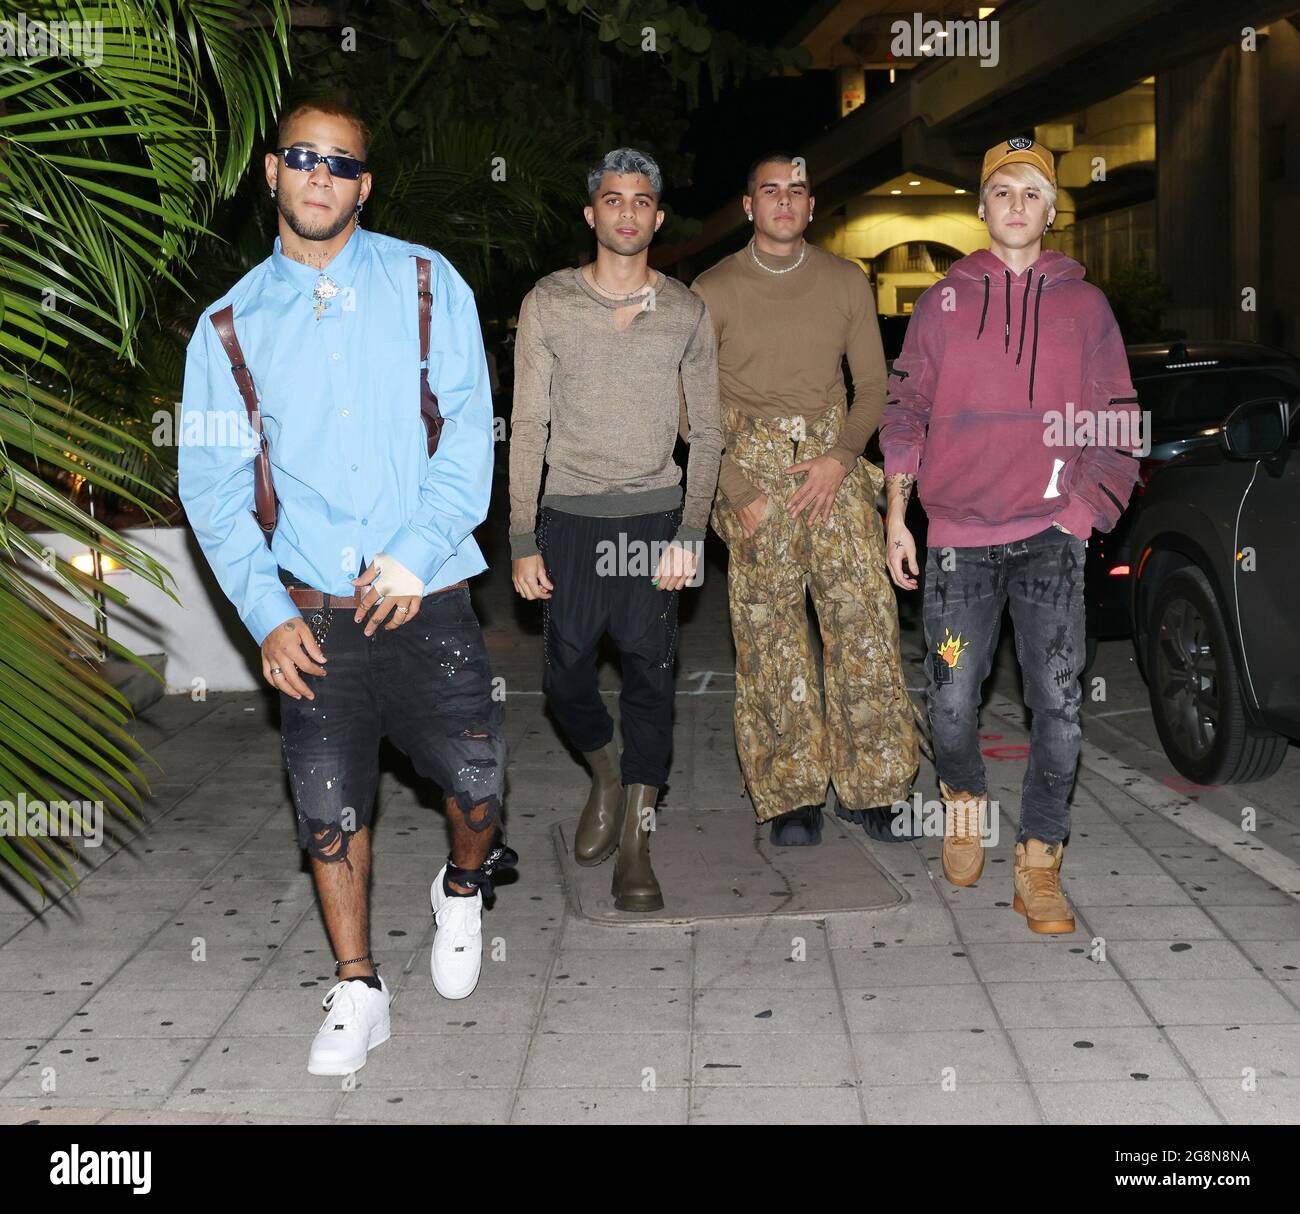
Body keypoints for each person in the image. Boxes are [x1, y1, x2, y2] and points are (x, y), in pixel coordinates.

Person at [178, 100, 512, 1075]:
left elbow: (466, 433)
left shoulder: (424, 283)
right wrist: (266, 614)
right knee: (328, 803)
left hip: (431, 591)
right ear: (273, 175)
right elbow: (212, 488)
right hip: (312, 608)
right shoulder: (227, 327)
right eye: (300, 157)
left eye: (340, 162)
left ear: (364, 184)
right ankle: (359, 984)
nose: (319, 175)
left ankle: (461, 883)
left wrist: (413, 552)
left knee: (478, 783)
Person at [880, 137, 1142, 933]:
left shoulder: (1085, 307)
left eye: (1032, 191)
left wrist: (1080, 514)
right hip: (958, 543)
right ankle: (961, 797)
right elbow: (905, 410)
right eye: (1002, 190)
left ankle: (1038, 860)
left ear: (1051, 208)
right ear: (982, 206)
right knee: (952, 702)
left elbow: (1118, 422)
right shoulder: (944, 302)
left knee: (1059, 708)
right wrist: (898, 516)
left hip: (1050, 542)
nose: (1017, 204)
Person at [509, 148, 722, 912]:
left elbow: (711, 435)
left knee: (650, 678)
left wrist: (691, 532)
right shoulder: (549, 303)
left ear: (657, 218)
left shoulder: (688, 312)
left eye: (641, 201)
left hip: (654, 517)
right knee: (563, 675)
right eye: (612, 199)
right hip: (569, 516)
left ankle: (637, 836)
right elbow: (527, 425)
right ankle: (603, 773)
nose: (626, 212)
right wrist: (522, 536)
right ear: (591, 213)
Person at [690, 153, 919, 847]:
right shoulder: (712, 288)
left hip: (831, 458)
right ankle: (791, 794)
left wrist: (841, 459)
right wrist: (732, 488)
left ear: (812, 206)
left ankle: (874, 787)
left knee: (865, 621)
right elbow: (689, 401)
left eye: (797, 190)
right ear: (749, 205)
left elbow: (875, 387)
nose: (785, 202)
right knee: (769, 637)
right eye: (771, 191)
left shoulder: (847, 281)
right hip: (750, 467)